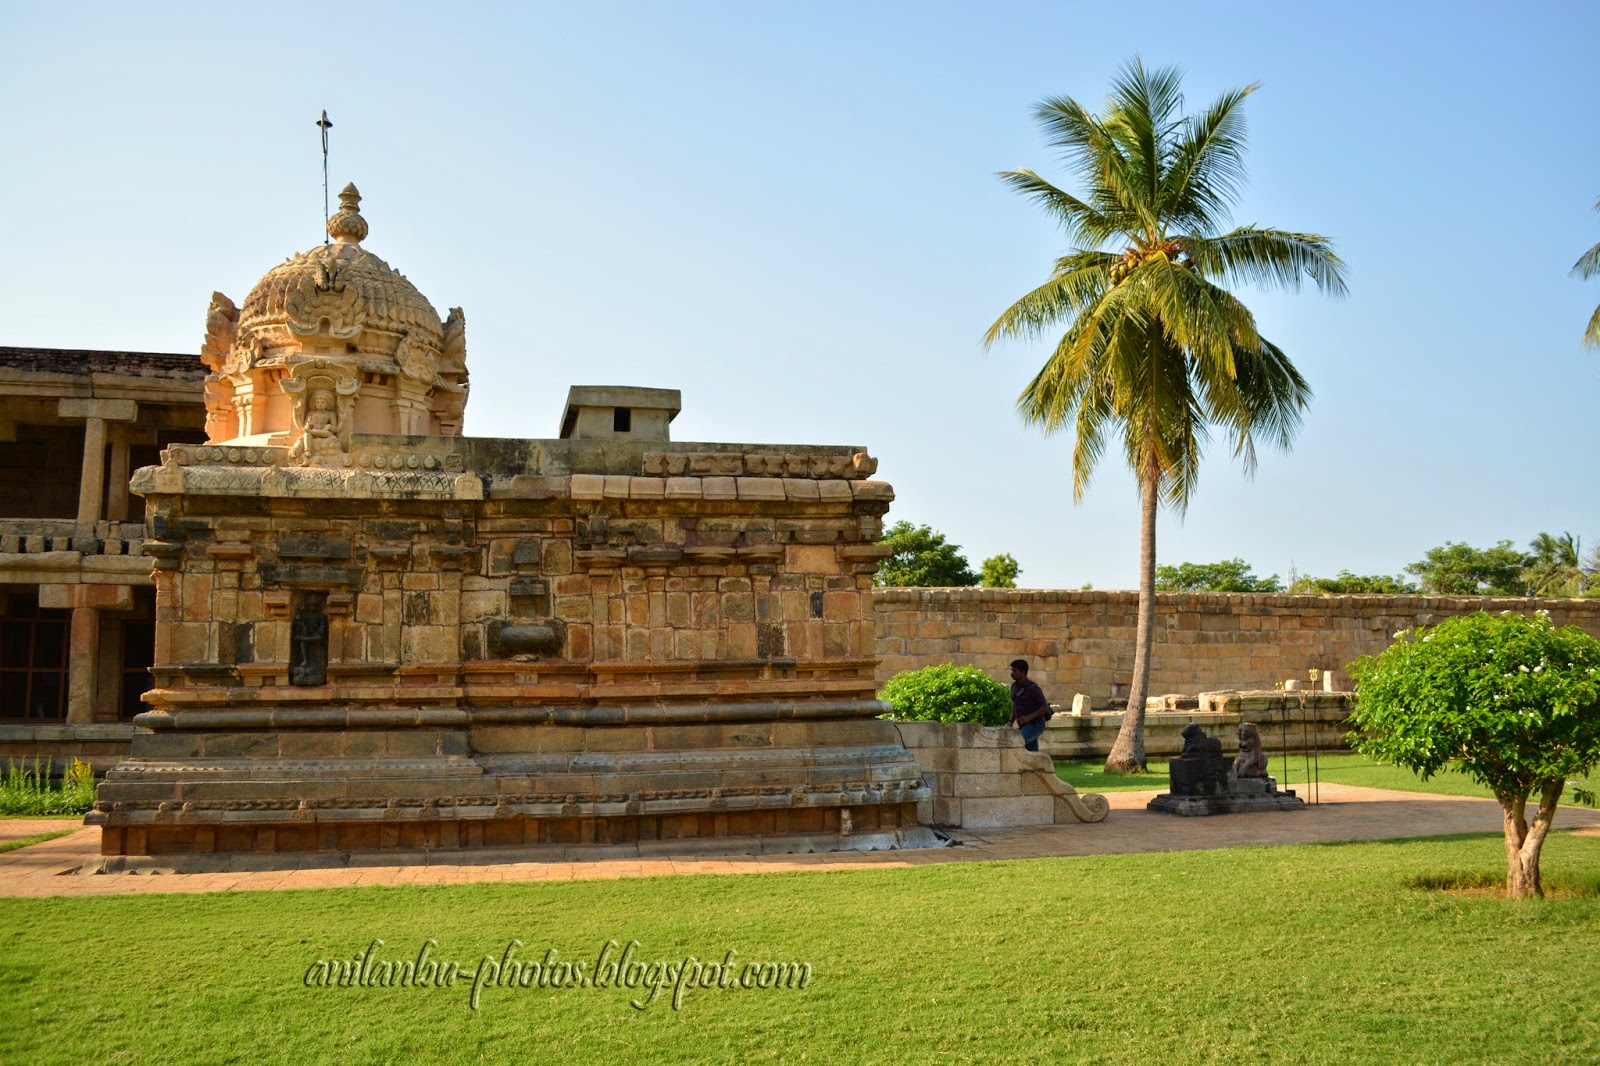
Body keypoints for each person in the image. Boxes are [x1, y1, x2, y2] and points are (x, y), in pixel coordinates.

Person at [1008, 659, 1052, 752]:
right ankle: (1038, 766)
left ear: (1022, 672)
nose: (1012, 673)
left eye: (1014, 670)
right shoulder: (1014, 686)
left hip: (1036, 724)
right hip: (1024, 725)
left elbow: (1044, 707)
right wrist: (1011, 721)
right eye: (1011, 670)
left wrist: (1028, 717)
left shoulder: (1033, 688)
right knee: (1032, 753)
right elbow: (1015, 703)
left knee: (1017, 742)